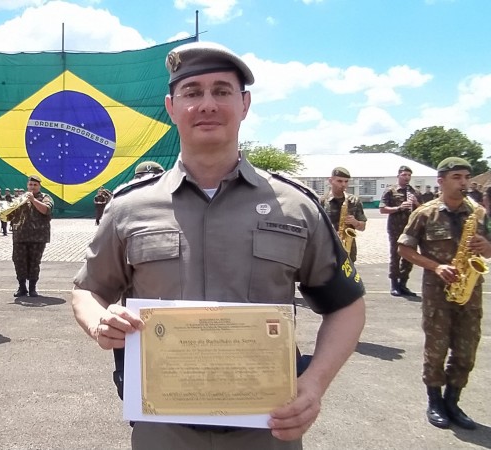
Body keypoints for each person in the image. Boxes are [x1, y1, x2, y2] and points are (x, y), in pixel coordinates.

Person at [71, 41, 366, 450]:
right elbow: (87, 290)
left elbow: (347, 304)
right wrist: (99, 322)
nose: (207, 104)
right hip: (163, 430)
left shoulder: (296, 206)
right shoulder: (128, 207)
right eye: (192, 92)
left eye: (222, 91)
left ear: (244, 104)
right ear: (171, 107)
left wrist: (314, 383)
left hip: (268, 431)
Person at [397, 157, 491, 430]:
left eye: (467, 177)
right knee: (436, 350)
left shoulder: (478, 213)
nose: (464, 182)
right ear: (441, 181)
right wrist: (436, 267)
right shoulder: (425, 213)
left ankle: (453, 401)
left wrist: (486, 247)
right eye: (457, 177)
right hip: (437, 293)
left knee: (466, 351)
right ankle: (435, 401)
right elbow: (404, 249)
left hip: (470, 292)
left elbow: (489, 251)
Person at [379, 165, 422, 297]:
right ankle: (394, 284)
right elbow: (382, 209)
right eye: (404, 175)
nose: (406, 177)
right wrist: (399, 208)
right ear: (398, 176)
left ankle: (403, 284)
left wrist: (416, 203)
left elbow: (423, 210)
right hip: (395, 228)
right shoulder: (390, 191)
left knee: (409, 257)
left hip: (411, 229)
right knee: (395, 255)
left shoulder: (415, 192)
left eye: (409, 175)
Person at [9, 175, 54, 297]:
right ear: (27, 185)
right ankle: (22, 287)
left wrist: (33, 200)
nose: (32, 187)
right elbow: (10, 214)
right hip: (20, 236)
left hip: (37, 236)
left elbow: (46, 210)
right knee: (19, 261)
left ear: (39, 186)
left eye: (35, 185)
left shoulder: (45, 197)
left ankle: (32, 288)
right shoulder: (20, 198)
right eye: (30, 184)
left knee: (34, 262)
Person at [319, 167, 367, 262]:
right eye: (339, 181)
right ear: (331, 181)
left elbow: (363, 227)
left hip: (348, 250)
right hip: (328, 249)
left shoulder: (354, 201)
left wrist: (355, 222)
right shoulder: (322, 201)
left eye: (346, 181)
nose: (343, 184)